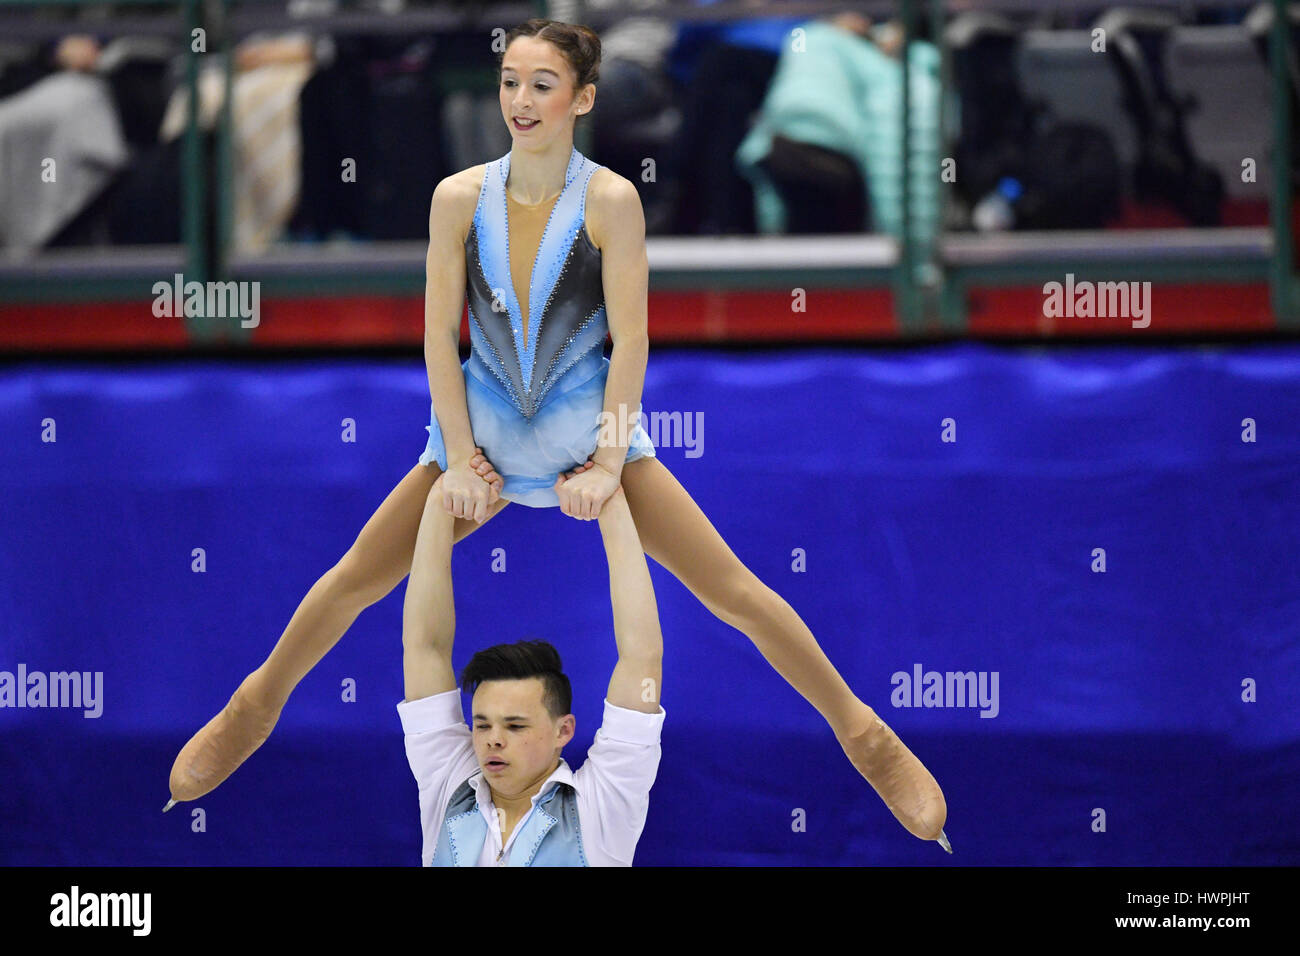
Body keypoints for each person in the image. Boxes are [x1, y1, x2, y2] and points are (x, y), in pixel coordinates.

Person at [166, 17, 951, 854]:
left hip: (590, 439)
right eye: (509, 82)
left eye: (541, 85)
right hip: (482, 438)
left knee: (734, 592)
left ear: (581, 98)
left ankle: (861, 730)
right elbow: (441, 338)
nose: (520, 100)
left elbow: (633, 340)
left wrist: (610, 459)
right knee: (356, 575)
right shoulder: (457, 197)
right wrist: (460, 453)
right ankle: (254, 704)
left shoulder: (611, 199)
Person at [399, 469, 664, 866]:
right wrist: (441, 502)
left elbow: (641, 656)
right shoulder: (448, 784)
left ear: (564, 730)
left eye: (515, 725)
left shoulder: (603, 806)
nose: (492, 739)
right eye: (483, 724)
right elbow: (424, 649)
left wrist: (611, 503)